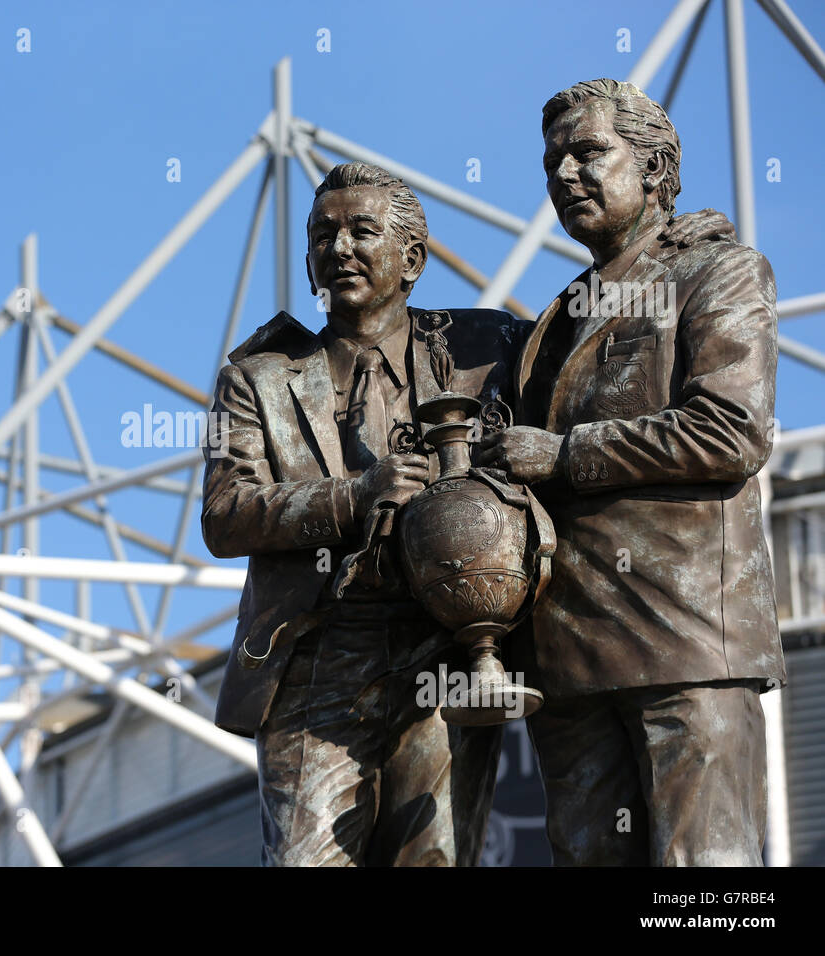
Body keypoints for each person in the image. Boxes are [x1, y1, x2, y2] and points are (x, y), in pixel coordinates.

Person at [477, 78, 785, 866]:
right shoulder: (553, 318)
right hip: (569, 653)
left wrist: (567, 453)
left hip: (685, 641)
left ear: (653, 168)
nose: (565, 175)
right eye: (552, 162)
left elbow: (732, 429)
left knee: (704, 878)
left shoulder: (719, 273)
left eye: (588, 153)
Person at [201, 162, 527, 865]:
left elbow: (596, 348)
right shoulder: (253, 378)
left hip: (444, 651)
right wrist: (356, 495)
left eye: (361, 231)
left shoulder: (485, 350)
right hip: (316, 659)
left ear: (412, 257)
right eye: (323, 234)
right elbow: (224, 515)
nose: (339, 248)